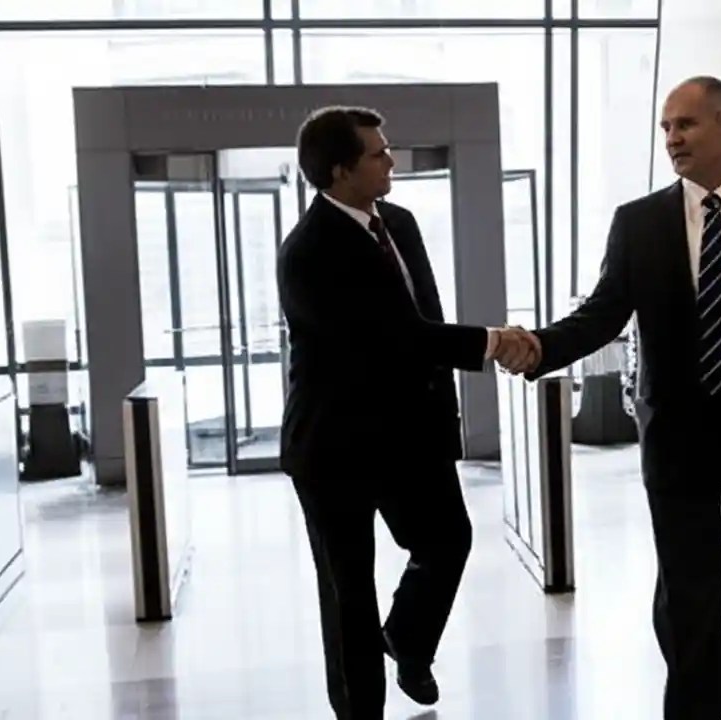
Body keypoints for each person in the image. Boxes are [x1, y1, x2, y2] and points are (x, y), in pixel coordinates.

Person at [500, 77, 721, 720]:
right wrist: (541, 348)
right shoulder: (639, 222)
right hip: (679, 432)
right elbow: (602, 314)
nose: (672, 139)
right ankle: (695, 702)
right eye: (665, 128)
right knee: (688, 588)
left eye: (685, 124)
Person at [276, 105, 536, 719]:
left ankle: (408, 641)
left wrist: (448, 417)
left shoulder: (399, 223)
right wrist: (494, 341)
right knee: (348, 594)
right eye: (378, 153)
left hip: (410, 435)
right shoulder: (308, 252)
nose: (391, 159)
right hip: (335, 447)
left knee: (449, 540)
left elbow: (425, 315)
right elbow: (396, 336)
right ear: (340, 171)